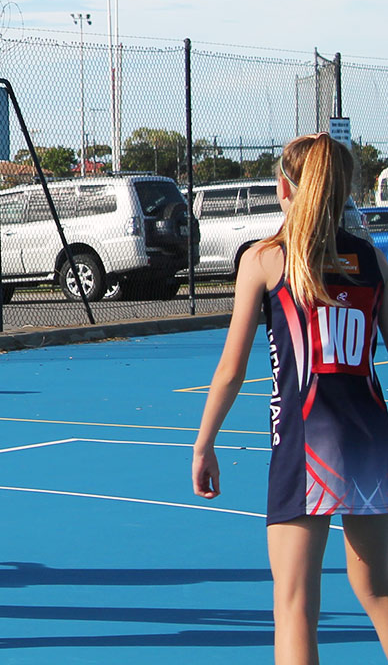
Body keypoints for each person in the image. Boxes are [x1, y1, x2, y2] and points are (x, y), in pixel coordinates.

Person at [193, 133, 388, 663]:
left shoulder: (266, 261)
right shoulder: (371, 259)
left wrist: (204, 443)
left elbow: (232, 368)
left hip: (305, 445)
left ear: (283, 186)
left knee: (295, 605)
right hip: (372, 440)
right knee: (380, 594)